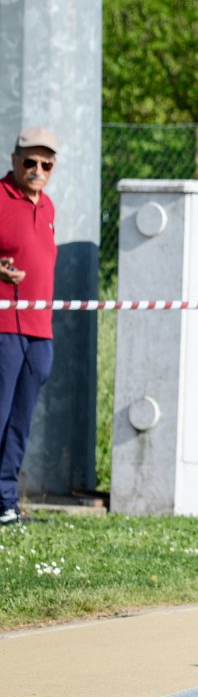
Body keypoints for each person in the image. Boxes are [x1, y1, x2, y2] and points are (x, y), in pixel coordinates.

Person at [0, 128, 60, 526]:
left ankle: (5, 503)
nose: (37, 170)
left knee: (20, 424)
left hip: (40, 331)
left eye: (46, 164)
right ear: (14, 161)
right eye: (30, 162)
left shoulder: (49, 206)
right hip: (4, 325)